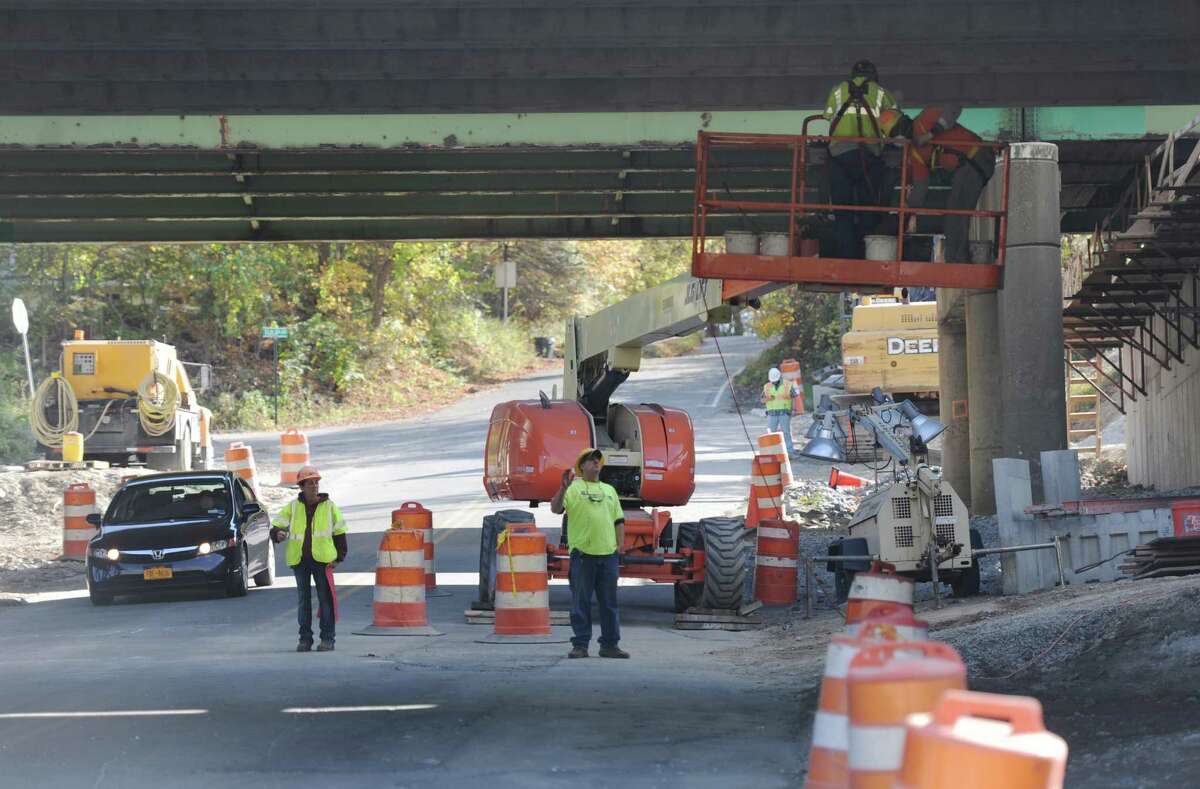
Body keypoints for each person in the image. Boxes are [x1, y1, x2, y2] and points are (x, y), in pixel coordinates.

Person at [550, 448, 629, 660]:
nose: (595, 462)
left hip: (608, 556)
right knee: (580, 602)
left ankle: (610, 645)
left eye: (597, 459)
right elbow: (555, 509)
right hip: (583, 556)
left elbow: (618, 520)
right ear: (581, 466)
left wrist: (620, 545)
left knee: (609, 603)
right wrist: (562, 489)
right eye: (590, 459)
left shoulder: (610, 490)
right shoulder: (573, 489)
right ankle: (580, 645)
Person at [823, 59, 898, 260]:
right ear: (873, 75)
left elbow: (828, 114)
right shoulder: (881, 93)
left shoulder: (838, 90)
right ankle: (867, 255)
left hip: (840, 154)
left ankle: (846, 255)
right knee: (868, 206)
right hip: (870, 154)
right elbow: (895, 122)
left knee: (842, 208)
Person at [270, 465, 347, 652]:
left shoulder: (329, 507)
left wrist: (339, 557)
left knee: (325, 600)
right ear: (301, 487)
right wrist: (278, 534)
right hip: (300, 561)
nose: (314, 486)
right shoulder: (293, 507)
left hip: (322, 561)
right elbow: (277, 526)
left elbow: (340, 533)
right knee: (304, 601)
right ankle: (305, 639)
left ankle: (327, 639)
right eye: (310, 483)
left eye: (316, 483)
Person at [762, 367, 801, 455]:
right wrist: (767, 399)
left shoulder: (788, 385)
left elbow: (794, 397)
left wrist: (794, 409)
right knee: (771, 433)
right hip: (772, 414)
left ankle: (789, 451)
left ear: (779, 377)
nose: (773, 382)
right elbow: (762, 400)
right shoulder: (767, 386)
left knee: (786, 432)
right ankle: (772, 452)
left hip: (784, 413)